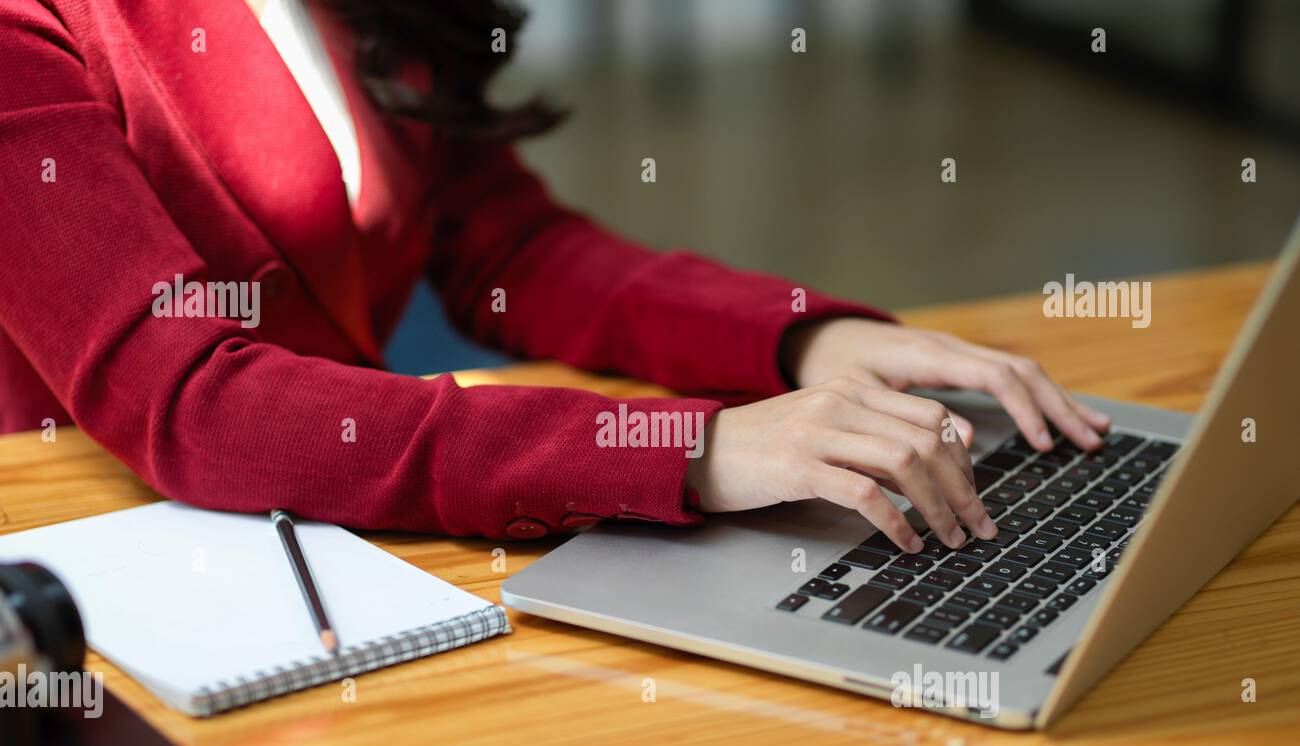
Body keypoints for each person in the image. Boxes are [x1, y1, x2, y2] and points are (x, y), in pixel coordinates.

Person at [0, 0, 1110, 553]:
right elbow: (194, 404)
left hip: (348, 528)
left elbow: (508, 249)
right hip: (94, 562)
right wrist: (687, 446)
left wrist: (796, 339)